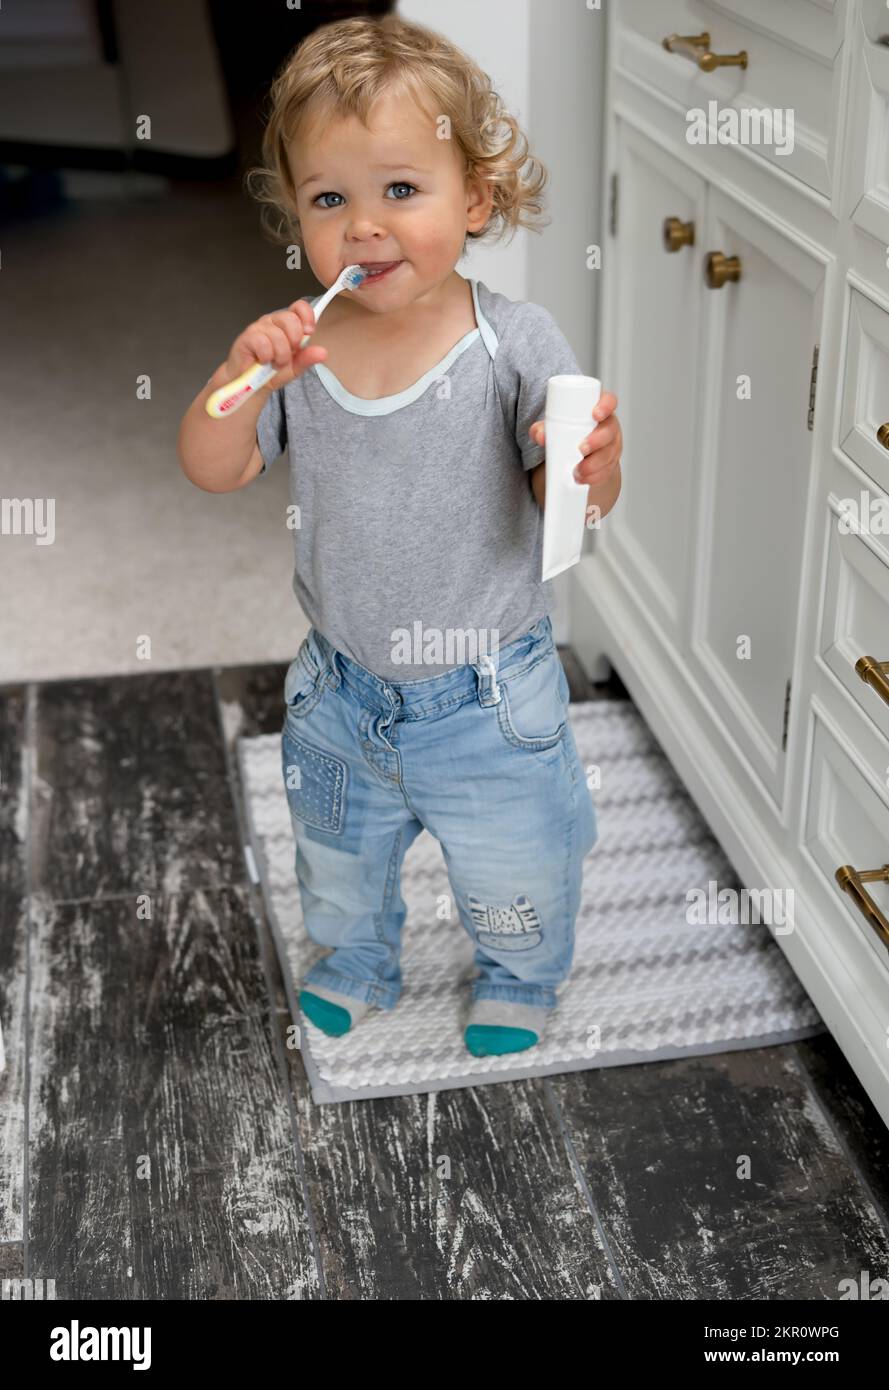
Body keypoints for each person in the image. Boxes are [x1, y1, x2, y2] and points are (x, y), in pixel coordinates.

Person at [178, 15, 623, 1058]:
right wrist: (232, 382)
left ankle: (520, 971)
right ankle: (358, 955)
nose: (365, 226)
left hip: (486, 698)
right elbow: (214, 467)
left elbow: (572, 497)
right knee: (336, 856)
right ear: (297, 216)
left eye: (401, 191)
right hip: (340, 688)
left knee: (516, 860)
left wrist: (590, 462)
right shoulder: (304, 347)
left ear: (473, 197)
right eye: (331, 199)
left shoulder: (512, 342)